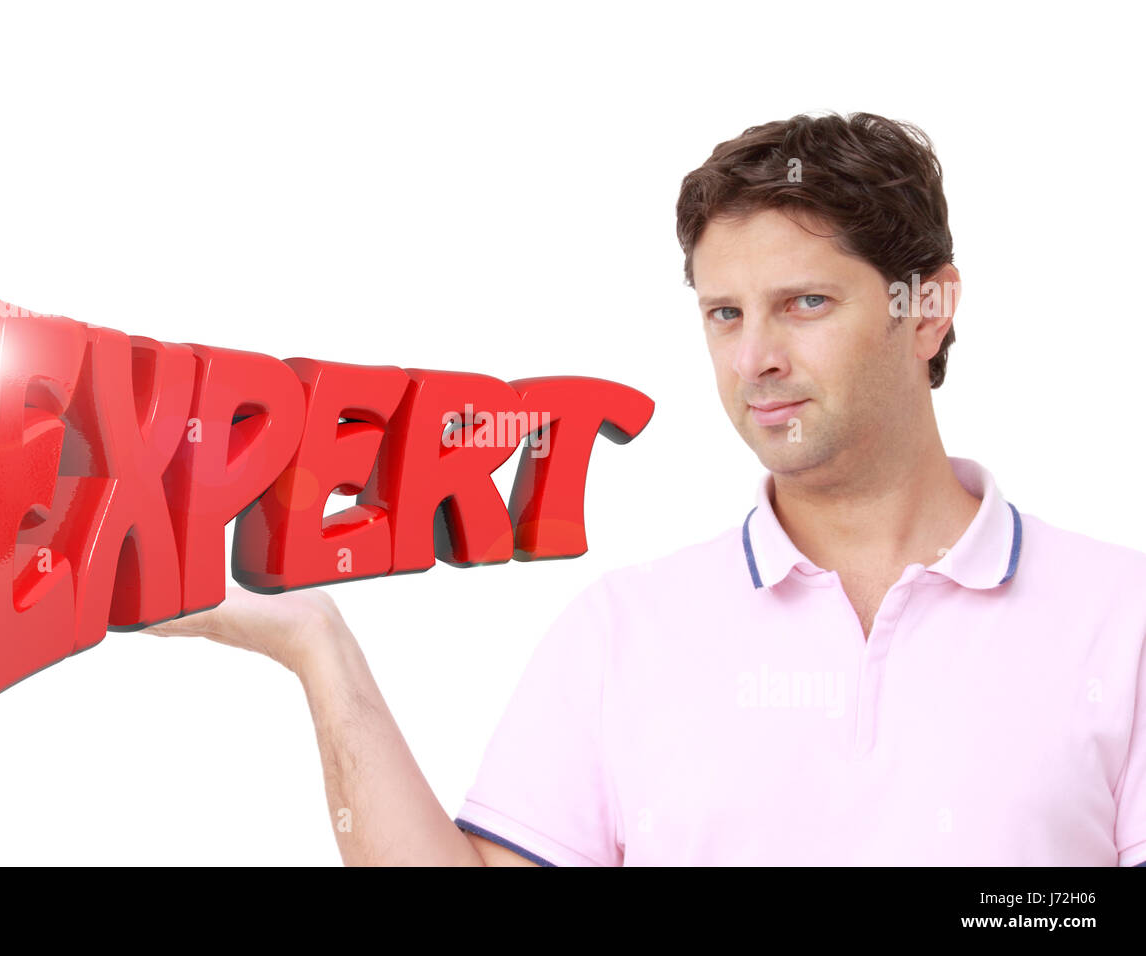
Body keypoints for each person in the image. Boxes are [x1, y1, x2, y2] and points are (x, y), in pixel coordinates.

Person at [146, 112, 1146, 866]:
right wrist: (319, 650)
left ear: (926, 308)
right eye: (723, 313)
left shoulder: (1121, 619)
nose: (754, 357)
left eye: (803, 303)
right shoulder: (625, 631)